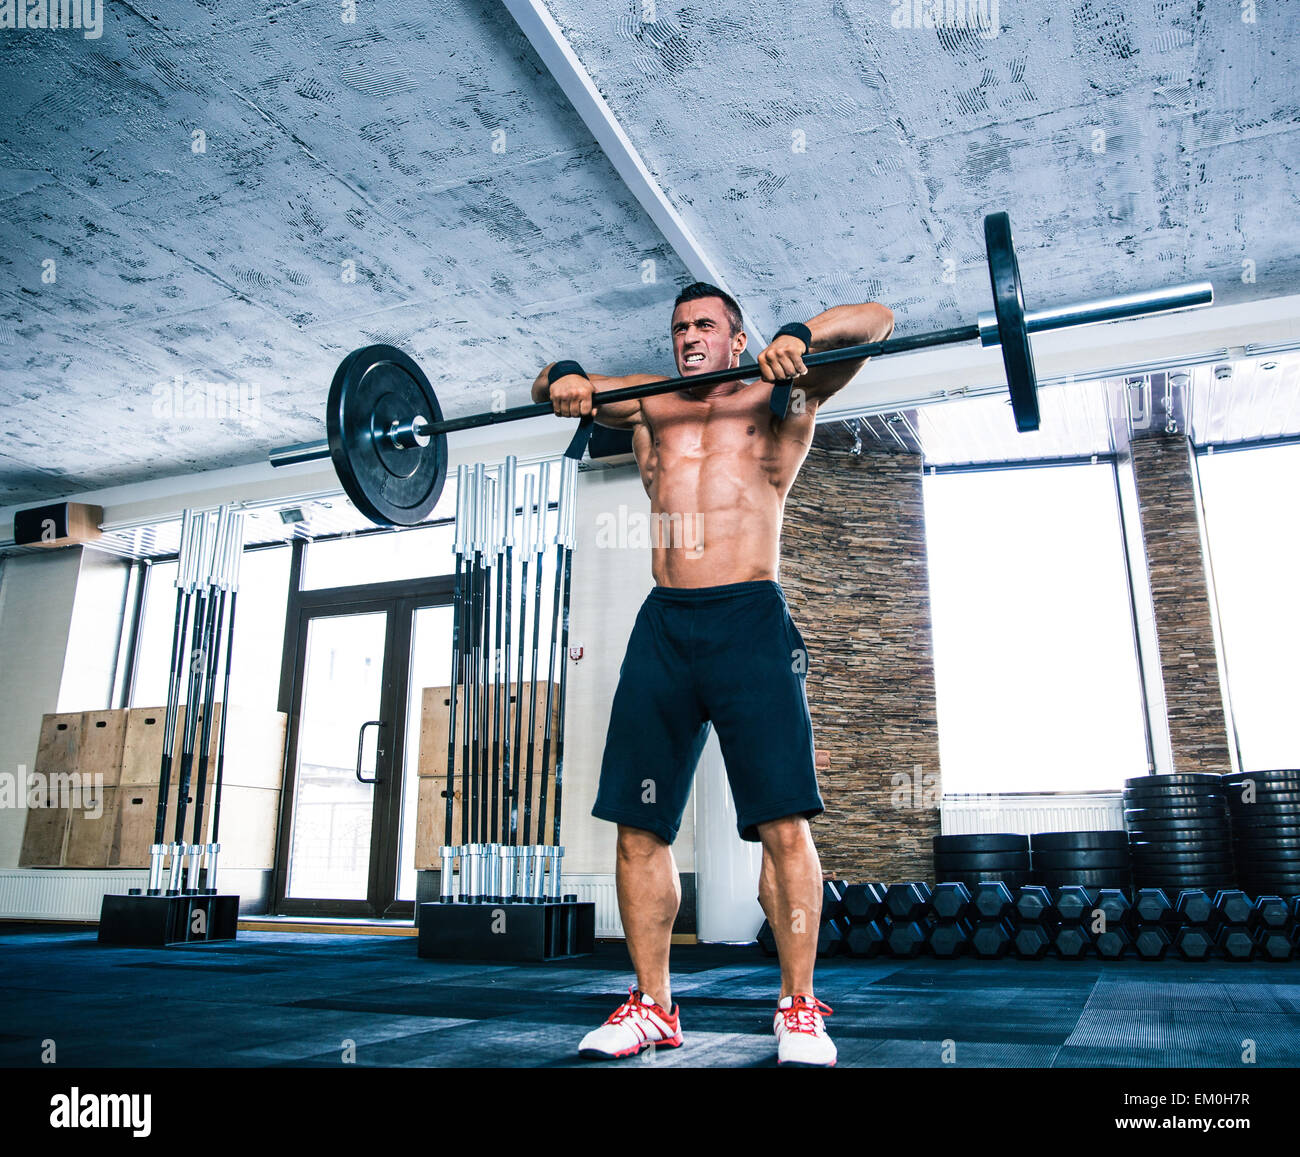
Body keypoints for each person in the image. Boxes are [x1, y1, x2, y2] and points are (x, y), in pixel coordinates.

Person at [531, 282, 894, 1066]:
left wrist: (798, 333)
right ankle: (653, 1005)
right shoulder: (649, 403)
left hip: (750, 622)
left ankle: (798, 1006)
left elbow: (878, 321)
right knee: (637, 824)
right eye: (678, 327)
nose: (688, 337)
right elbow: (557, 385)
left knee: (782, 822)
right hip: (665, 624)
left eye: (704, 325)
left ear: (735, 337)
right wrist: (561, 374)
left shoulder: (780, 391)